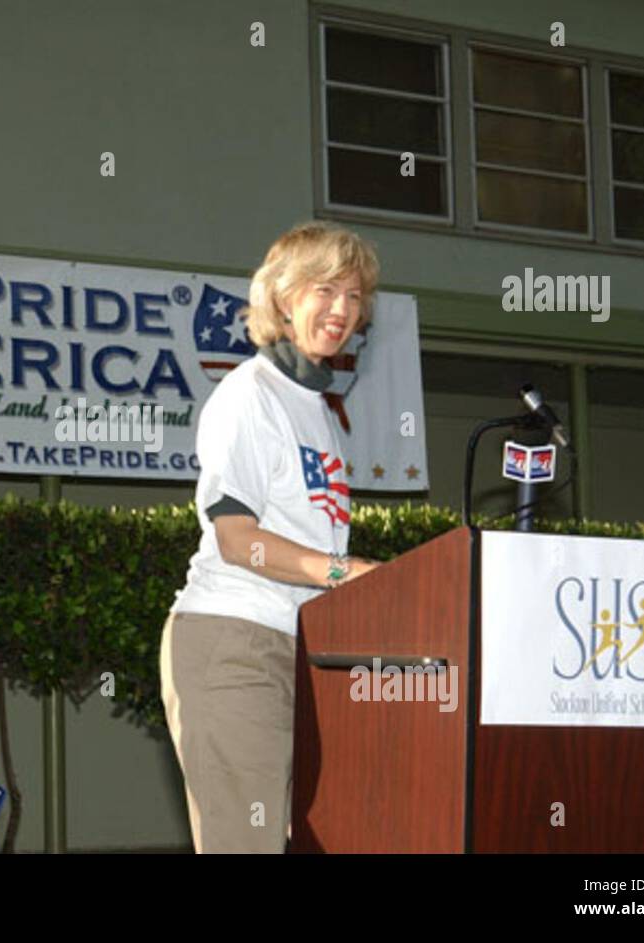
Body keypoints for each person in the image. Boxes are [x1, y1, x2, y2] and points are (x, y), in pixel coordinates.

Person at [161, 220, 384, 853]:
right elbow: (239, 540)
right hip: (235, 645)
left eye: (354, 295)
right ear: (282, 298)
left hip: (301, 649)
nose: (342, 310)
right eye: (324, 290)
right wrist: (345, 573)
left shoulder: (318, 406)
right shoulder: (248, 396)